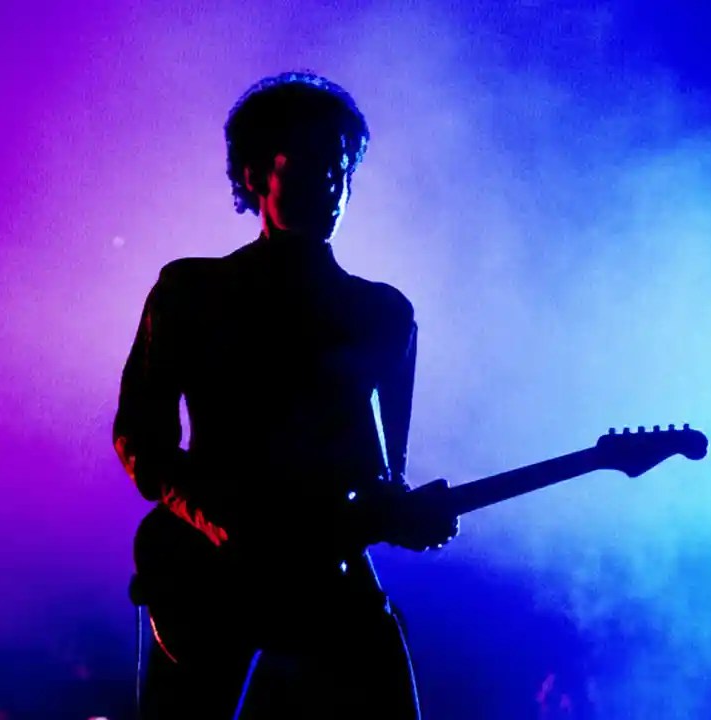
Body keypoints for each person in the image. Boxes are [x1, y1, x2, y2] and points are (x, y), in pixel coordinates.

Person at [113, 71, 458, 719]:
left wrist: (411, 516)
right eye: (307, 163)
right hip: (209, 570)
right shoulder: (192, 291)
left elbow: (382, 478)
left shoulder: (383, 314)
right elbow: (142, 438)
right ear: (252, 176)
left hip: (327, 571)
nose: (331, 183)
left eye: (341, 167)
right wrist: (217, 522)